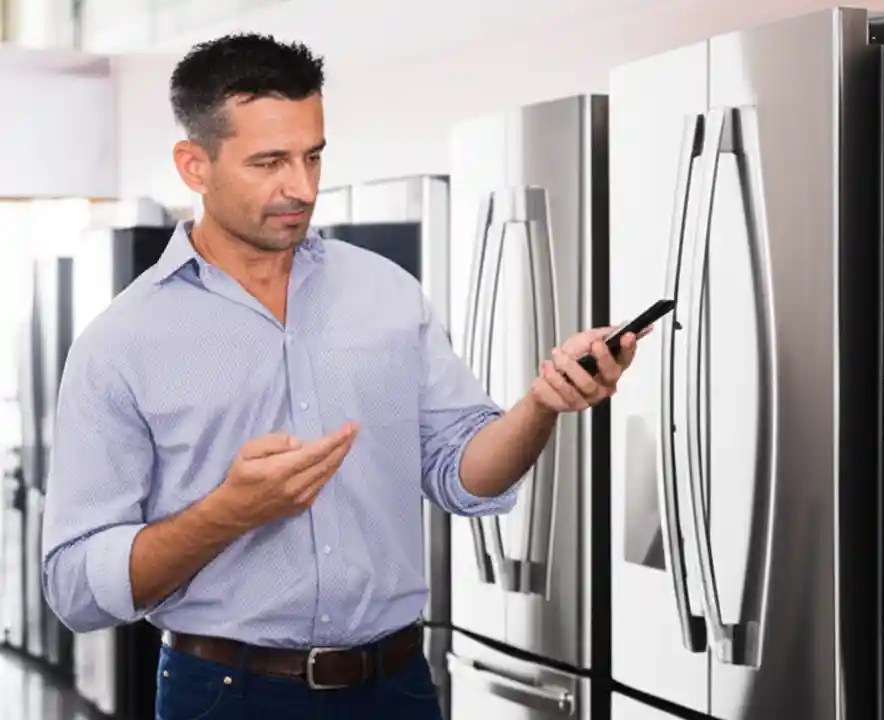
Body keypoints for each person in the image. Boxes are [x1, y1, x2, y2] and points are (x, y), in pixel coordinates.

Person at [40, 33, 639, 719]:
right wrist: (225, 514)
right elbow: (75, 588)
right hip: (226, 696)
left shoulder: (387, 294)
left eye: (312, 156)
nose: (300, 187)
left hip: (398, 687)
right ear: (194, 166)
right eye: (268, 162)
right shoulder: (120, 343)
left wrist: (541, 405)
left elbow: (462, 474)